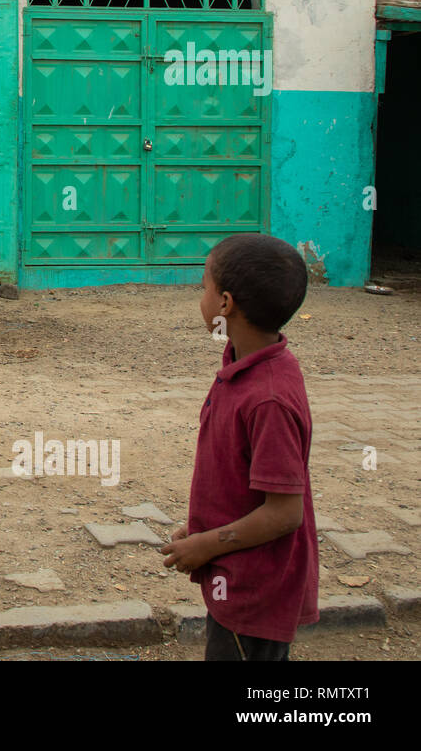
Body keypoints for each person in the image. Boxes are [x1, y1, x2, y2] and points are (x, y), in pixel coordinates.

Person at [160, 233, 318, 660]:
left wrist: (206, 545)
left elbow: (284, 512)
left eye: (203, 288)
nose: (201, 299)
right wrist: (203, 529)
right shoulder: (242, 363)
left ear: (225, 304)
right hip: (238, 573)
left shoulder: (268, 397)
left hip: (257, 590)